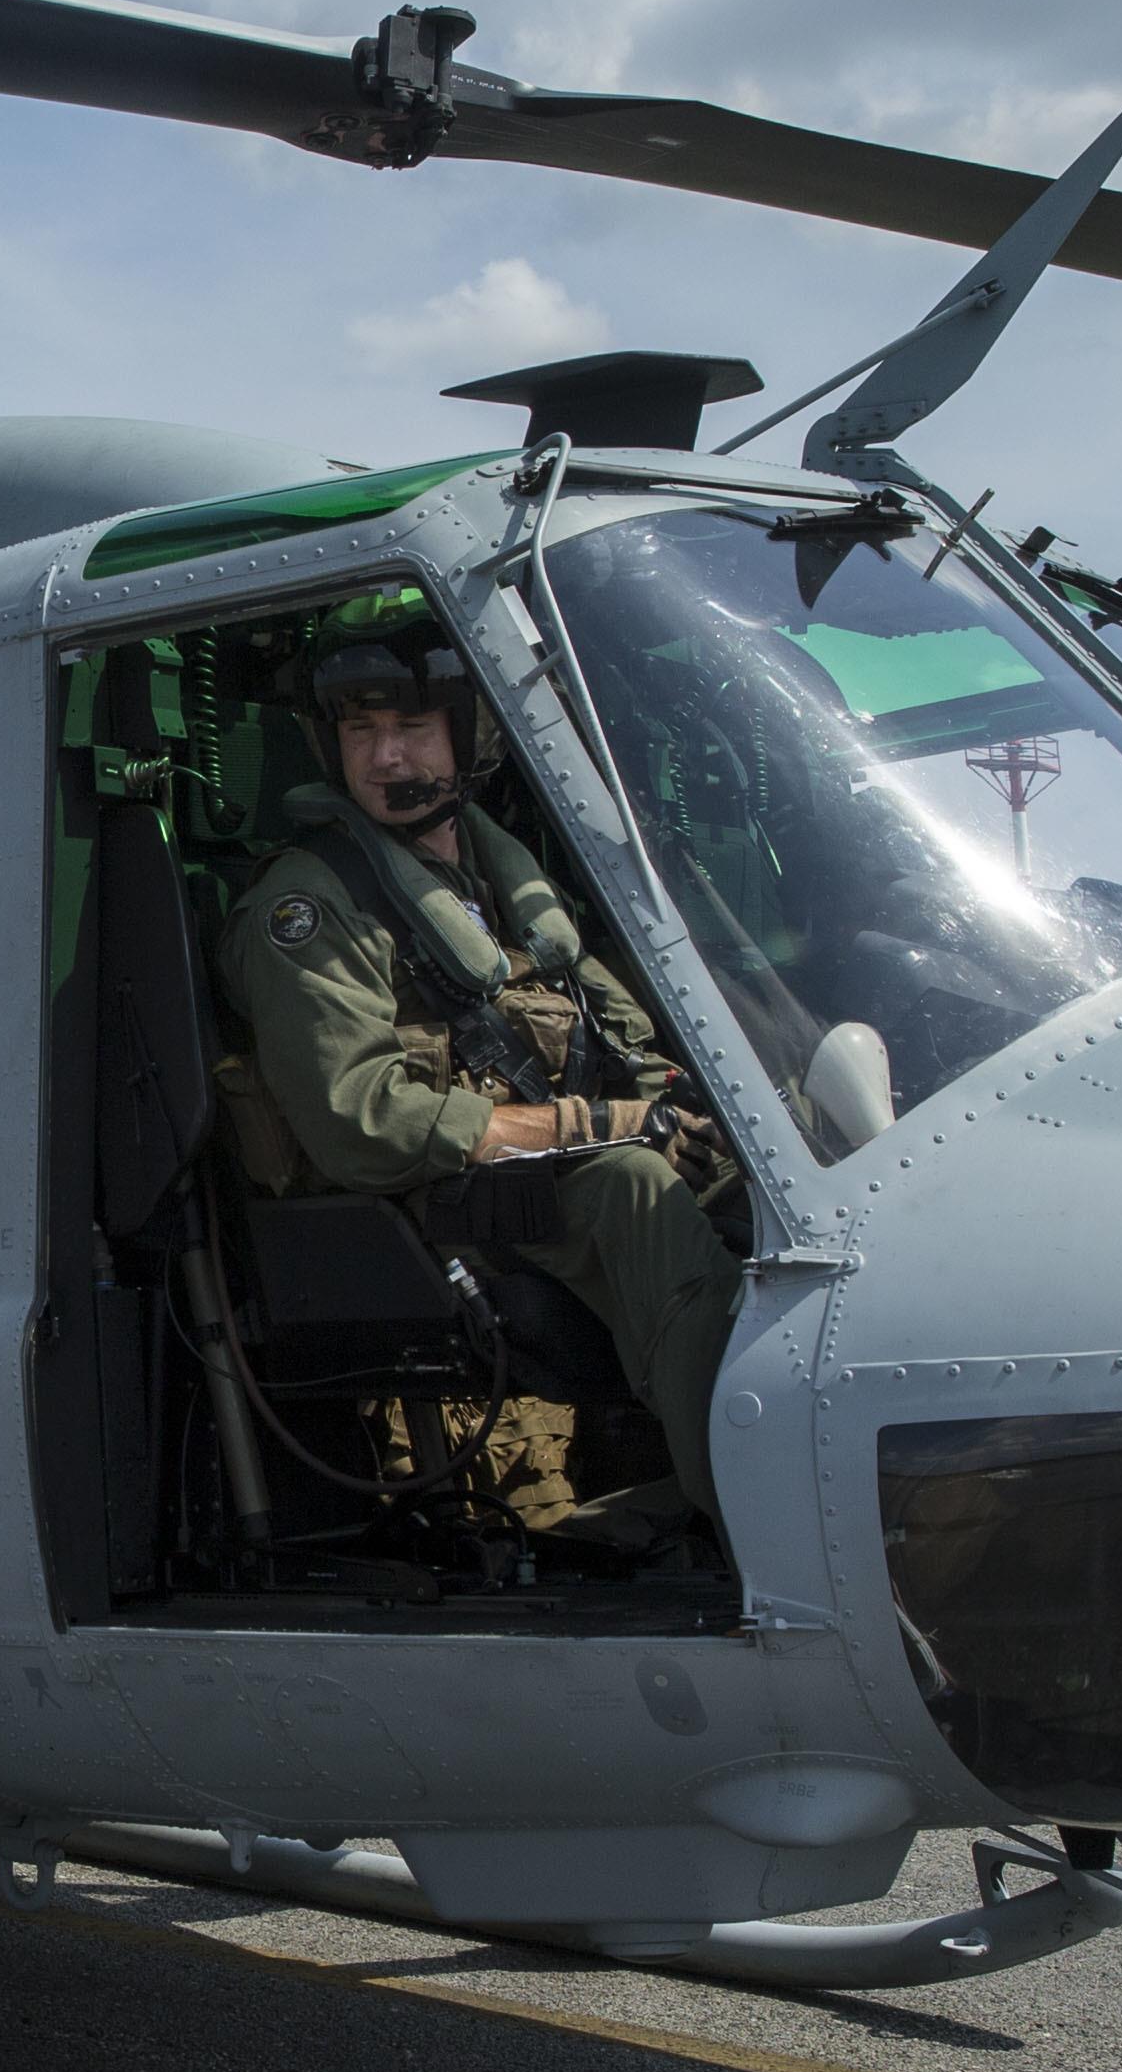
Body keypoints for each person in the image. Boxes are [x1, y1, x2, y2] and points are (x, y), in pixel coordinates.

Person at [216, 618, 744, 1527]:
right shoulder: (312, 903)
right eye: (358, 731)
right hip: (448, 1207)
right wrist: (608, 1127)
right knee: (636, 1193)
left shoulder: (505, 884)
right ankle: (749, 1521)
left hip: (552, 1166)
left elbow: (625, 1036)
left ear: (471, 736)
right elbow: (362, 1124)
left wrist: (681, 1111)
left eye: (412, 728)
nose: (384, 756)